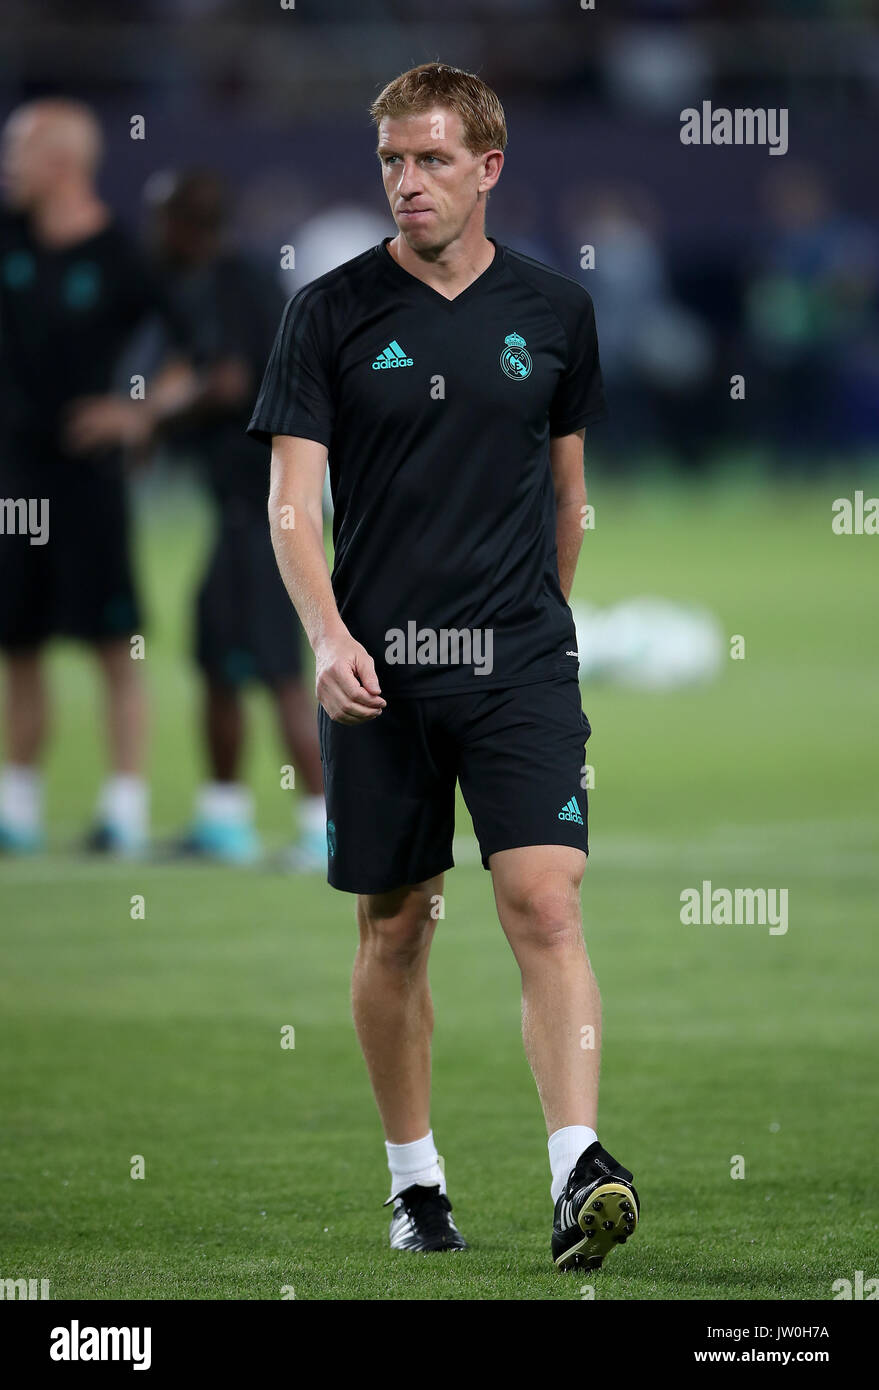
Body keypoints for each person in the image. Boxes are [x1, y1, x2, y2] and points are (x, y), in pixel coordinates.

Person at [249, 63, 639, 1271]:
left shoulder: (555, 312)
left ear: (489, 168)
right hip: (380, 671)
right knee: (398, 929)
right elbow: (290, 508)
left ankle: (579, 1163)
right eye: (389, 162)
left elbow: (570, 497)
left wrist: (539, 633)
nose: (405, 183)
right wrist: (328, 637)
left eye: (428, 160)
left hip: (518, 662)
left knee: (545, 899)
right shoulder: (329, 310)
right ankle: (415, 1182)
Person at [0, 99, 192, 856]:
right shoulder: (7, 238)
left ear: (62, 163)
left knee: (115, 646)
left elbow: (191, 358)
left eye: (17, 150)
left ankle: (125, 809)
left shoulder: (121, 255)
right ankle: (15, 809)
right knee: (18, 642)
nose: (7, 164)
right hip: (14, 477)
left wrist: (135, 415)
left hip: (88, 481)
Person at [145, 170, 325, 866]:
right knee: (219, 655)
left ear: (186, 224)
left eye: (162, 220)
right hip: (234, 508)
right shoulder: (205, 287)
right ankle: (224, 819)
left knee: (278, 664)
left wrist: (154, 419)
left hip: (269, 507)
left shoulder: (238, 284)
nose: (155, 234)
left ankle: (321, 826)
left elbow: (225, 382)